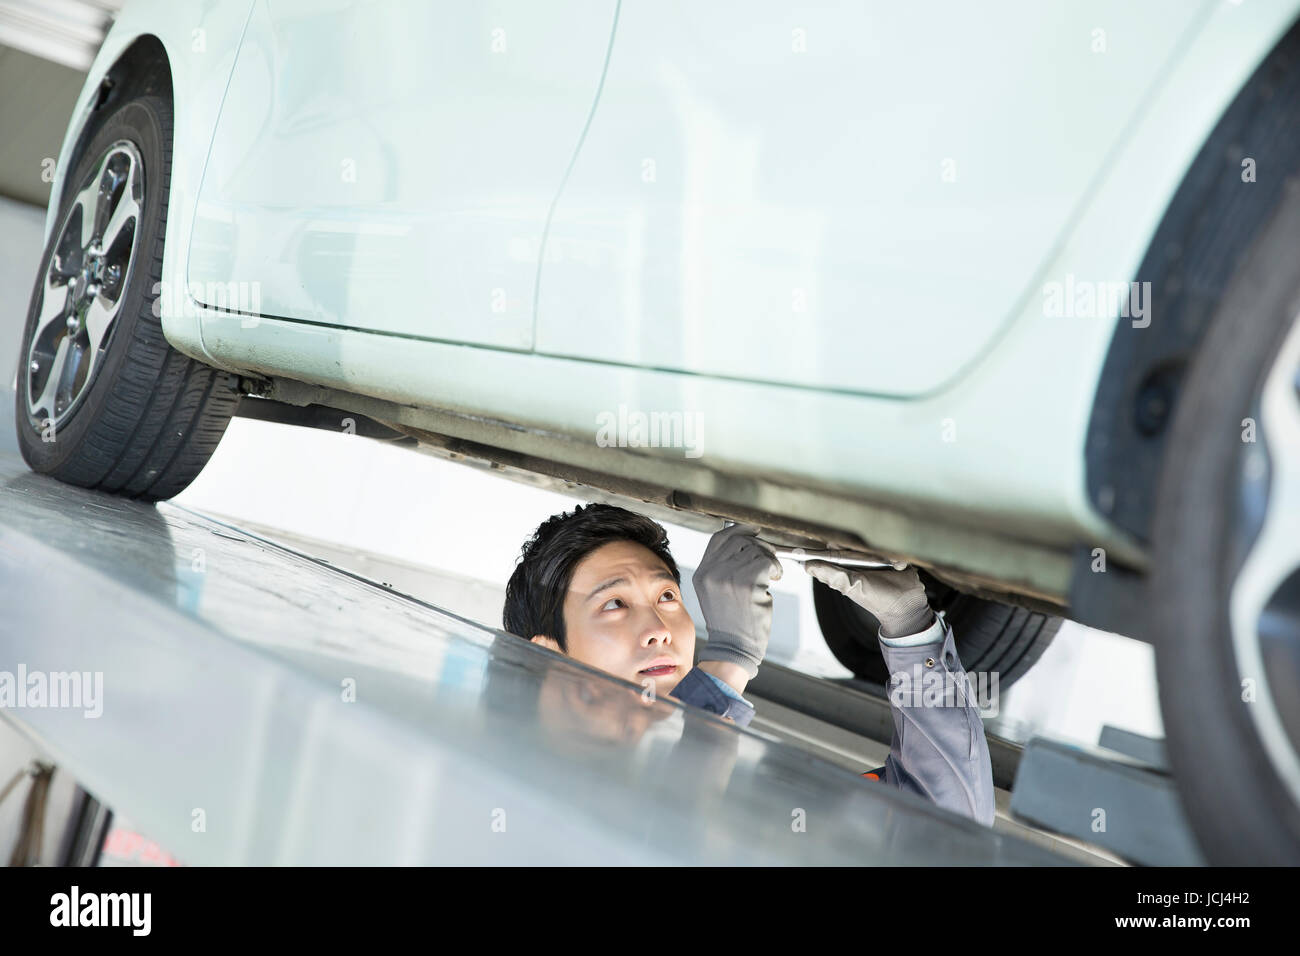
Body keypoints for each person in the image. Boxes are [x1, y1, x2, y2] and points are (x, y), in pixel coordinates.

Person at [502, 502, 995, 826]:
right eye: (614, 605)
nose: (659, 626)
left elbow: (948, 835)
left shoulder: (757, 804)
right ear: (549, 657)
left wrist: (912, 630)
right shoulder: (516, 799)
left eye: (668, 596)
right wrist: (725, 670)